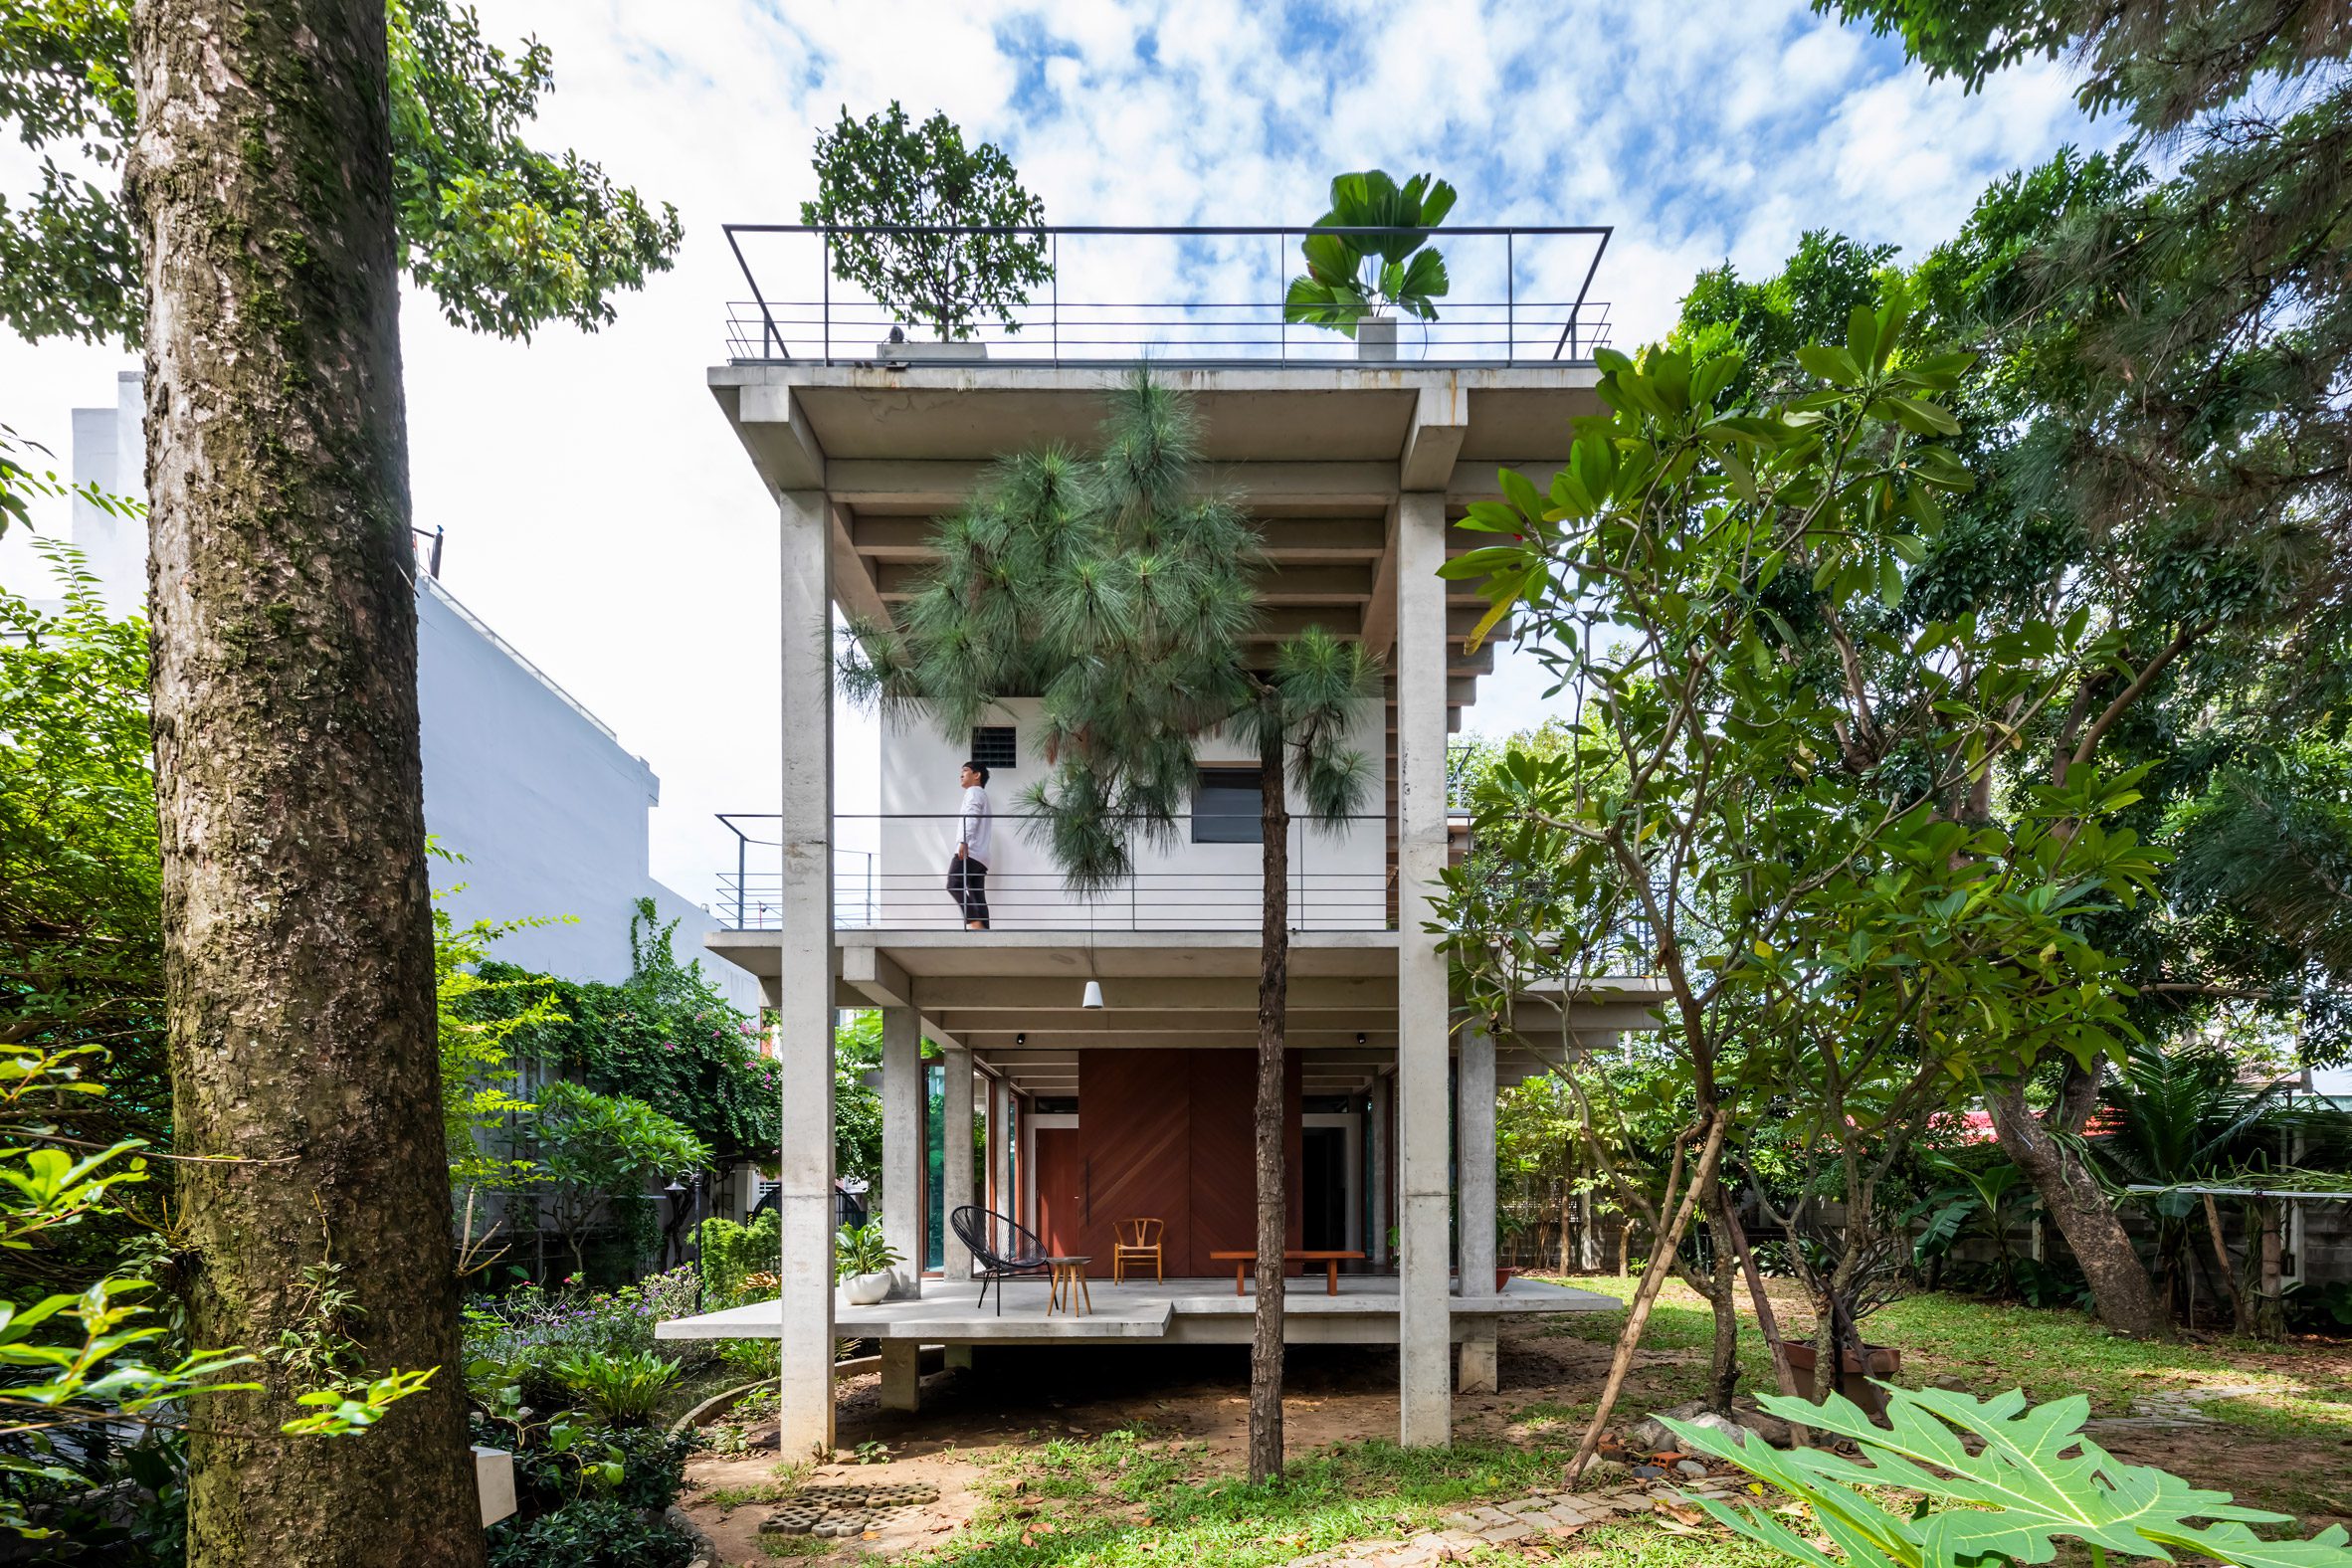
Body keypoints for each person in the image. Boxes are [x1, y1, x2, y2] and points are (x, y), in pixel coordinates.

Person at [949, 759, 992, 930]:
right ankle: (985, 931)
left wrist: (964, 841)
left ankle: (974, 922)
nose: (961, 774)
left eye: (965, 770)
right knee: (976, 894)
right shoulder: (982, 795)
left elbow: (971, 816)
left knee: (953, 883)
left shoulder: (974, 792)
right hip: (981, 855)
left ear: (977, 775)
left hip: (970, 850)